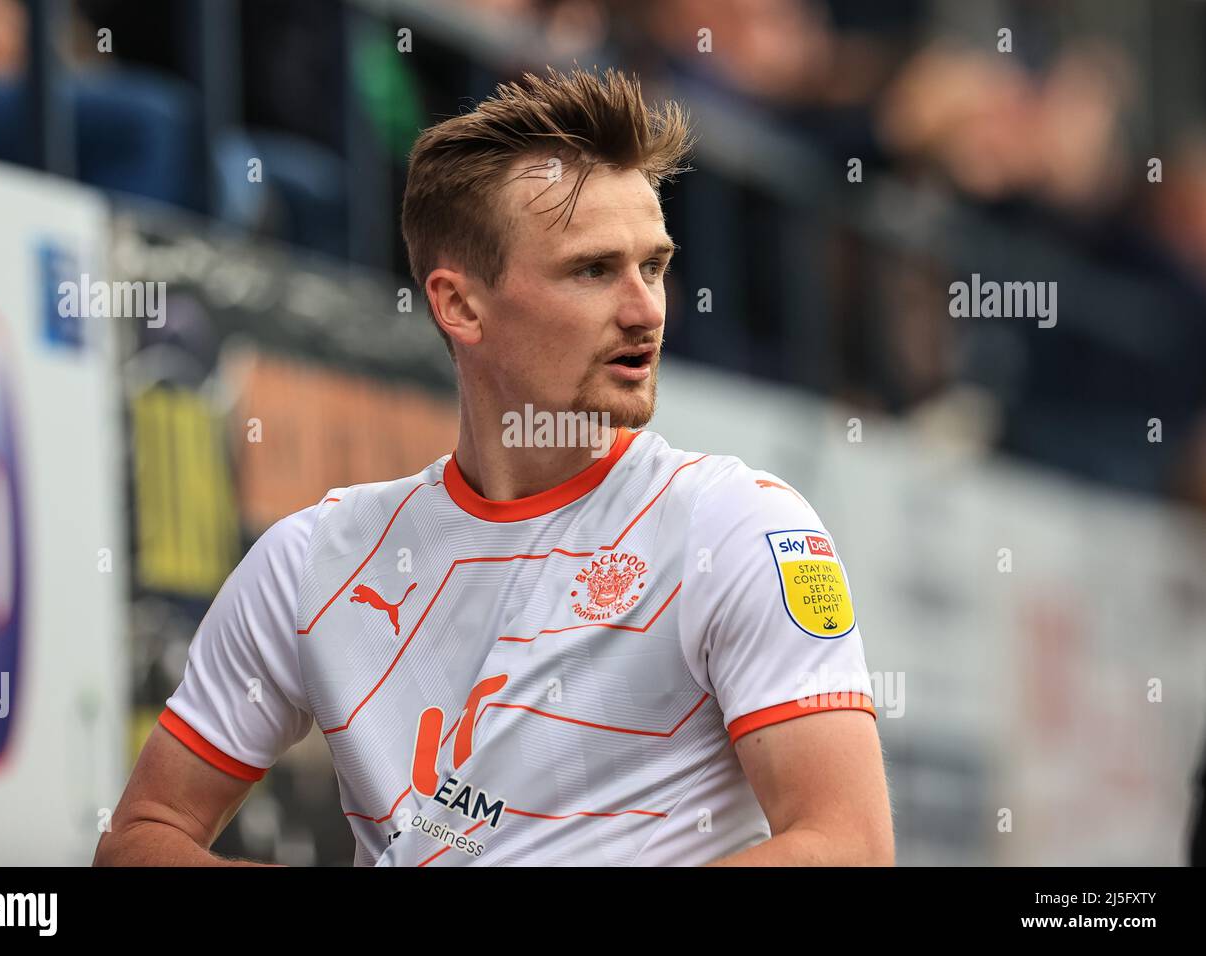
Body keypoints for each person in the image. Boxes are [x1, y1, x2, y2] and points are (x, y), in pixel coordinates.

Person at [93, 66, 894, 867]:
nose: (647, 308)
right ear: (460, 305)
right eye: (593, 270)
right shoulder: (311, 560)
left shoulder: (741, 523)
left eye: (653, 265)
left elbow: (847, 848)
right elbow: (139, 841)